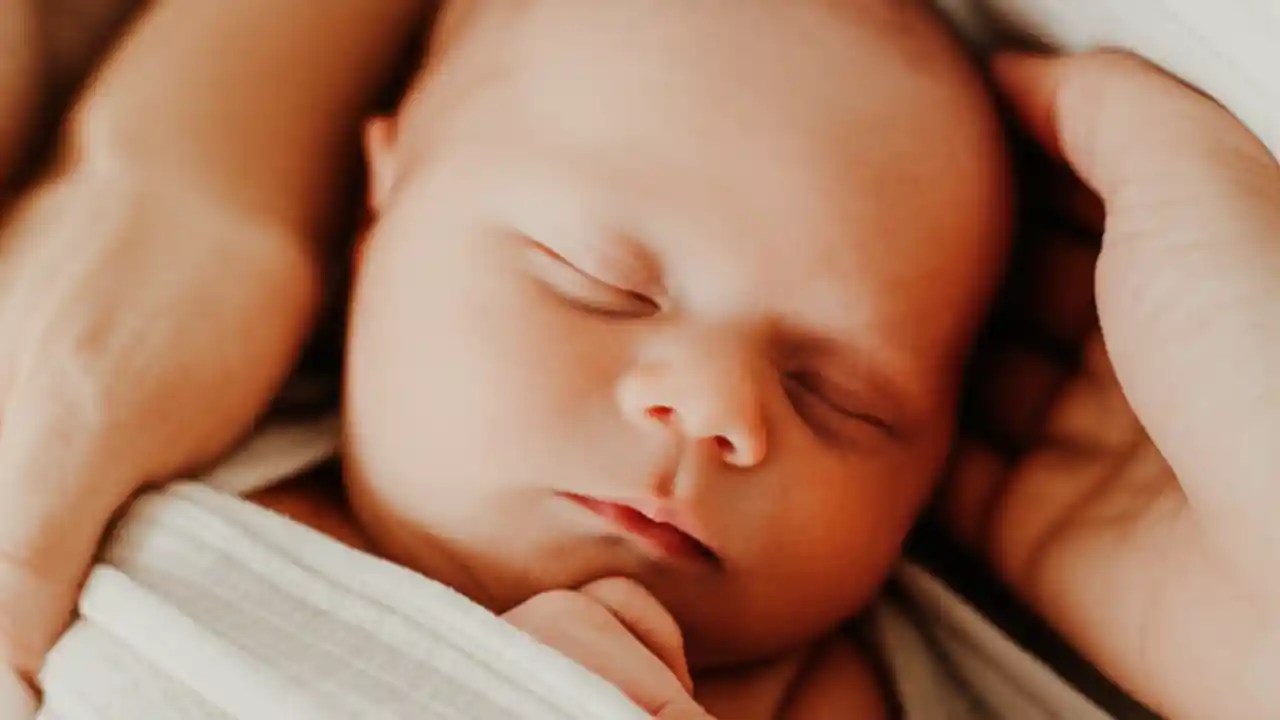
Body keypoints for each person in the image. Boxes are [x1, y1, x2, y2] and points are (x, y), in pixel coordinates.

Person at [2, 4, 1278, 720]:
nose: (717, 409)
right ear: (377, 200)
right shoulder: (131, 425)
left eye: (844, 399)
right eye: (596, 285)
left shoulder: (835, 692)